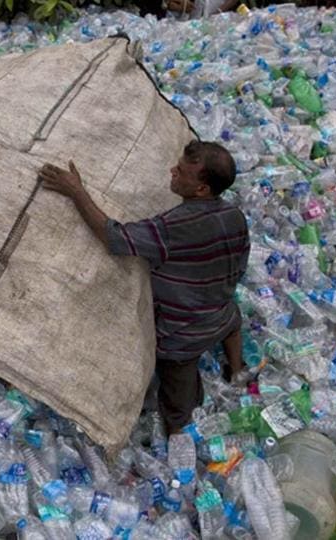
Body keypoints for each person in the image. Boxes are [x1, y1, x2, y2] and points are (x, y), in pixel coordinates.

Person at [38, 140, 249, 434]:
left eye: (181, 171)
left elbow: (115, 237)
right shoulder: (234, 215)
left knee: (179, 407)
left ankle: (180, 439)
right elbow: (239, 267)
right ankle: (238, 371)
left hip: (183, 334)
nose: (172, 170)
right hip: (222, 311)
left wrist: (76, 191)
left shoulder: (174, 226)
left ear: (202, 189)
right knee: (232, 319)